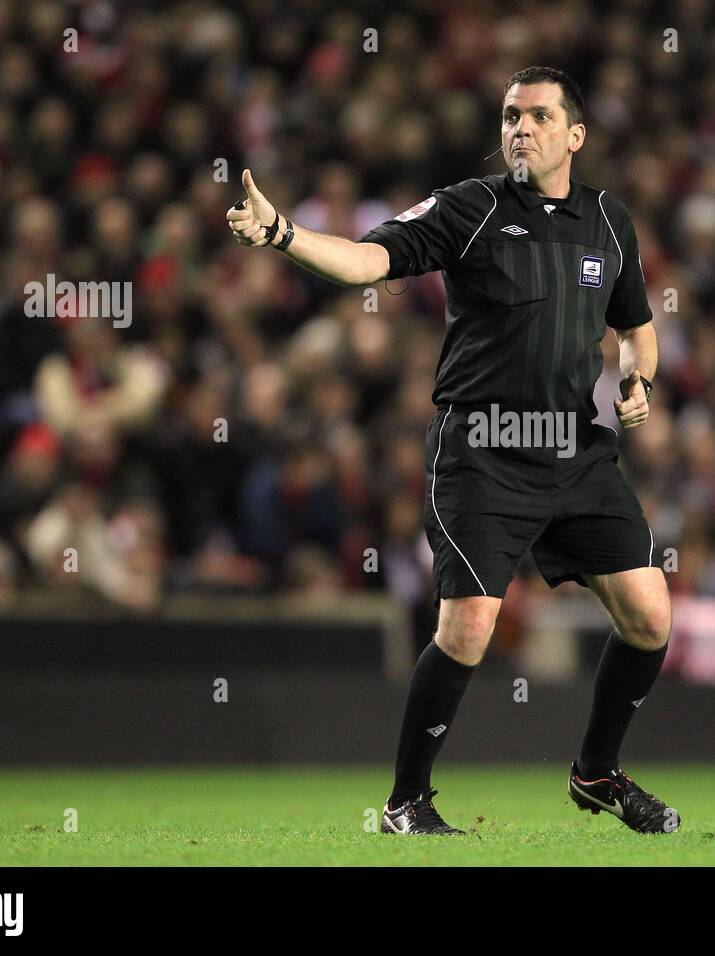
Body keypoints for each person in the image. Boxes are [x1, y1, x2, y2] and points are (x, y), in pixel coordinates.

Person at [227, 66, 677, 835]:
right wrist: (282, 233)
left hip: (572, 448)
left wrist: (639, 379)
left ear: (574, 135)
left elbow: (636, 327)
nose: (519, 129)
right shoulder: (471, 207)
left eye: (537, 116)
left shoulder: (610, 221)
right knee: (468, 623)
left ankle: (596, 773)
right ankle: (406, 801)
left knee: (650, 616)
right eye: (509, 116)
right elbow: (368, 262)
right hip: (483, 448)